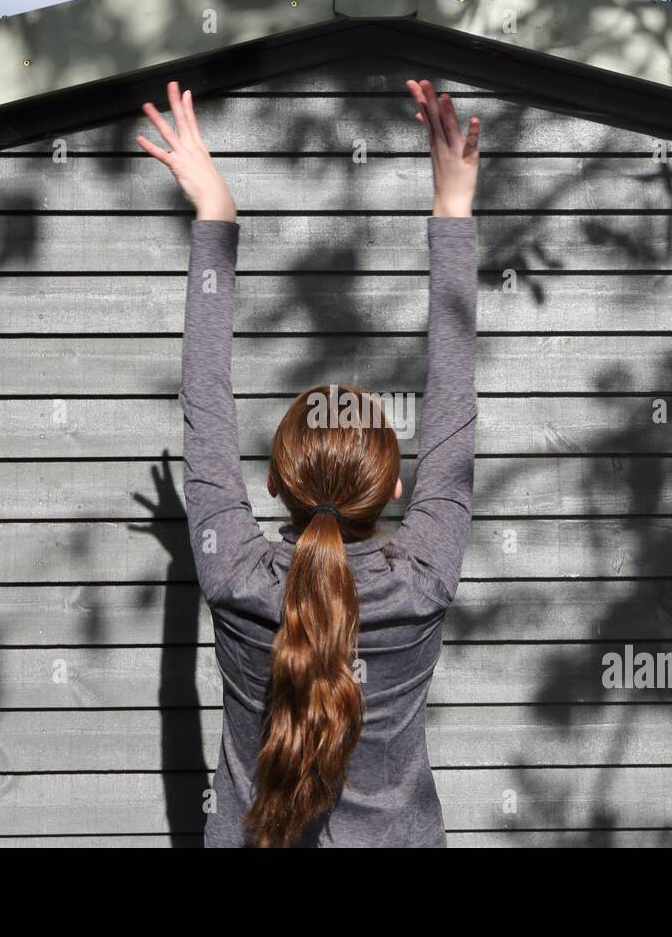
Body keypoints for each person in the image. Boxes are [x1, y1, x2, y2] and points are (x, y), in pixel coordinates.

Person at [137, 78, 480, 846]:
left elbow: (205, 404)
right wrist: (451, 211)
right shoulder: (423, 579)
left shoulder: (233, 575)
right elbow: (454, 406)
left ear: (270, 482)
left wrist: (215, 218)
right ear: (396, 488)